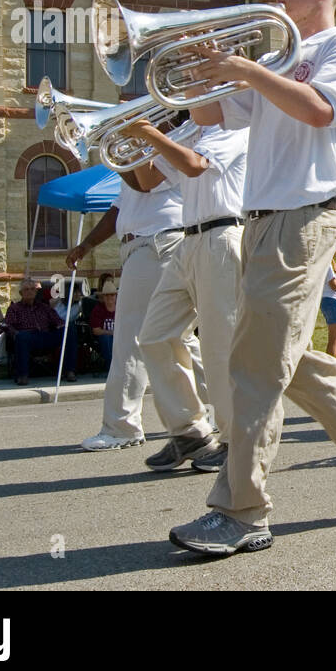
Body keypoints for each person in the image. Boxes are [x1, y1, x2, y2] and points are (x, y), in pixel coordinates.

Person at [168, 0, 336, 555]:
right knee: (291, 358)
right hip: (259, 223)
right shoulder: (279, 57)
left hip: (302, 219)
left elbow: (319, 111)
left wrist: (248, 70)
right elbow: (213, 118)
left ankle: (241, 511)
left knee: (253, 366)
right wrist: (201, 69)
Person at [127, 115, 250, 473]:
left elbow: (195, 166)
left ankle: (234, 440)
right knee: (154, 335)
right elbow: (147, 181)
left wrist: (148, 132)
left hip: (222, 236)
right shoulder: (192, 131)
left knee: (219, 344)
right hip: (189, 238)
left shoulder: (232, 127)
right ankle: (189, 431)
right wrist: (128, 142)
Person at [69, 148, 205, 453]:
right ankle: (218, 411)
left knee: (130, 336)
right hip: (152, 244)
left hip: (155, 243)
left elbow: (145, 182)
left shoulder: (165, 145)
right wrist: (87, 244)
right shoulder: (144, 151)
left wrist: (115, 150)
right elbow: (121, 205)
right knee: (179, 337)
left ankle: (122, 426)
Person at [1, 278, 76, 386]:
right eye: (26, 289)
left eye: (32, 289)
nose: (30, 291)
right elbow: (8, 325)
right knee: (22, 337)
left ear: (36, 292)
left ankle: (69, 371)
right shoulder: (14, 308)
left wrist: (62, 327)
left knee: (70, 329)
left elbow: (58, 321)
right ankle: (22, 375)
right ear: (21, 293)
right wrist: (16, 334)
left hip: (45, 336)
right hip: (27, 338)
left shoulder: (44, 307)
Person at [89, 284, 116, 370]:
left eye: (112, 295)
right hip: (103, 339)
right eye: (106, 295)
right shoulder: (98, 309)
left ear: (116, 296)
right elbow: (96, 330)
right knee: (106, 338)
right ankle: (111, 367)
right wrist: (112, 333)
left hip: (120, 338)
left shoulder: (122, 308)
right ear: (103, 297)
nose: (109, 297)